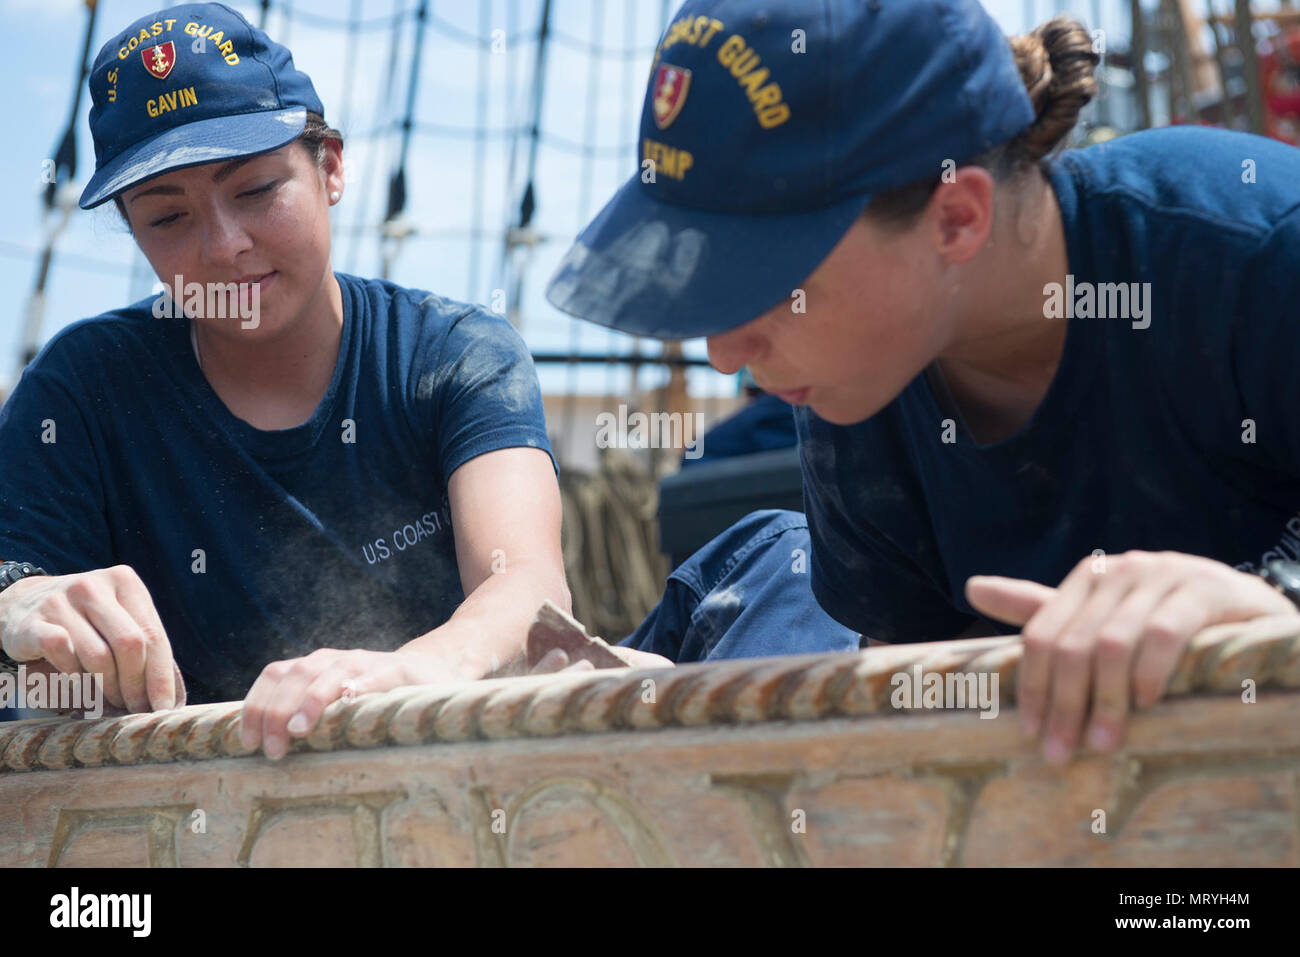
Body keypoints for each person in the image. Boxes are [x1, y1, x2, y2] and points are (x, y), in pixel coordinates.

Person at [546, 0, 1300, 764]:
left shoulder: (1260, 252)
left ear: (957, 219)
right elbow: (914, 729)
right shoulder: (857, 381)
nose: (722, 353)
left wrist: (1275, 607)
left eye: (770, 282)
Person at [0, 3, 570, 758]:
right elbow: (20, 619)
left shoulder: (457, 354)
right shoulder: (80, 390)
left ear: (330, 166)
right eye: (168, 218)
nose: (225, 245)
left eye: (257, 189)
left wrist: (410, 669)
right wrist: (20, 607)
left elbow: (528, 582)